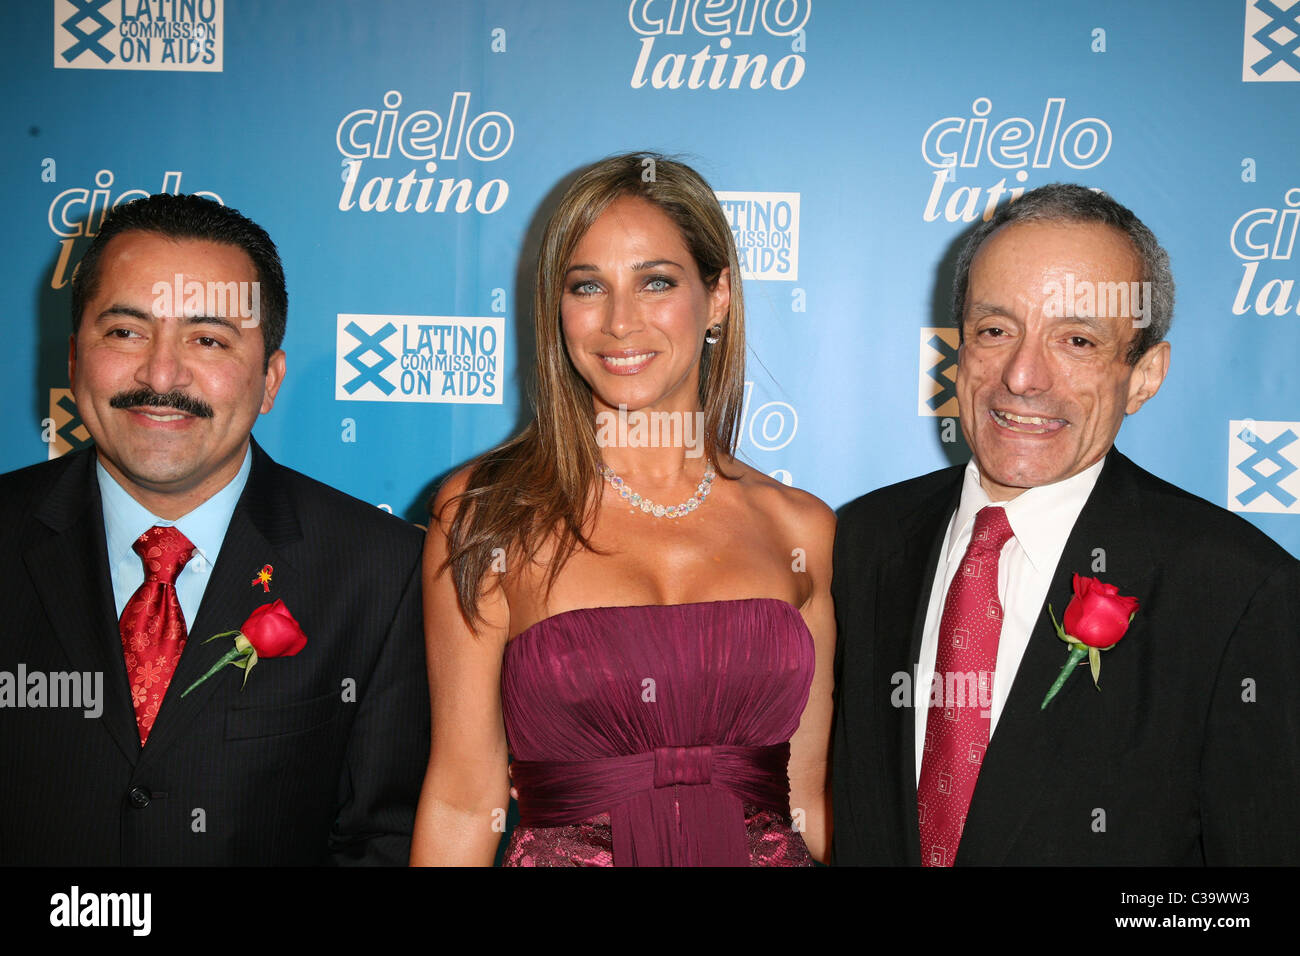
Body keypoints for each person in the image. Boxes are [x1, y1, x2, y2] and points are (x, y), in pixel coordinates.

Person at [832, 183, 1300, 866]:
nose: (1023, 376)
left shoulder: (1237, 592)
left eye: (1077, 340)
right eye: (995, 331)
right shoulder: (860, 541)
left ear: (1144, 376)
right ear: (958, 350)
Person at [411, 153, 835, 866]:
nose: (619, 322)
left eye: (656, 282)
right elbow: (463, 799)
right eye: (588, 287)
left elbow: (810, 803)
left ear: (718, 297)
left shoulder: (801, 529)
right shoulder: (486, 515)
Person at [0, 193, 429, 864]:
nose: (161, 375)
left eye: (208, 340)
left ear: (269, 380)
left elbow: (387, 840)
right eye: (126, 331)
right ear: (75, 360)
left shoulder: (384, 573)